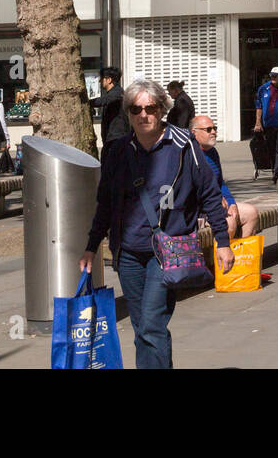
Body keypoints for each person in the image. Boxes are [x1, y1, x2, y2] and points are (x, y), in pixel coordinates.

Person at [79, 80, 233, 369]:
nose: (143, 115)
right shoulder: (117, 151)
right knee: (143, 328)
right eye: (136, 109)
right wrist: (91, 246)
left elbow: (209, 193)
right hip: (128, 253)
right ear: (128, 113)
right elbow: (105, 204)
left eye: (150, 108)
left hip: (168, 250)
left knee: (151, 324)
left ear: (162, 109)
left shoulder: (183, 145)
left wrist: (222, 242)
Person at [190, 115, 259, 239]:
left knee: (251, 213)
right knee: (229, 223)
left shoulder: (212, 152)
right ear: (194, 133)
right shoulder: (189, 155)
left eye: (214, 128)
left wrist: (231, 203)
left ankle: (241, 256)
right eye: (208, 129)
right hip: (198, 210)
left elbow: (220, 183)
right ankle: (219, 257)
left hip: (217, 204)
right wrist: (216, 199)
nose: (214, 132)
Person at [92, 66, 128, 151]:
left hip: (117, 139)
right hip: (111, 138)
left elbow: (104, 100)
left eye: (102, 79)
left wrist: (88, 103)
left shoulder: (117, 93)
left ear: (109, 80)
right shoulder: (112, 93)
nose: (100, 81)